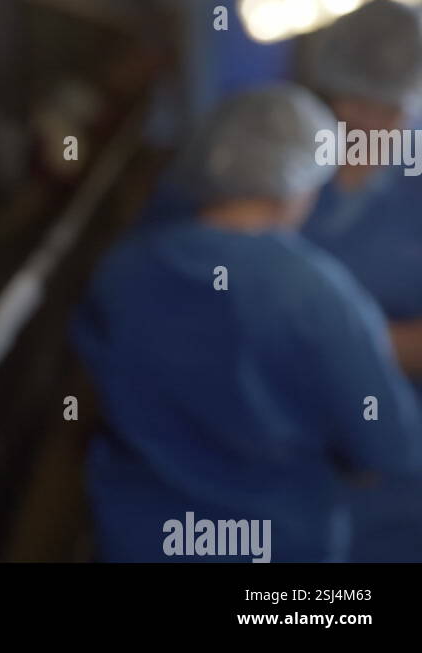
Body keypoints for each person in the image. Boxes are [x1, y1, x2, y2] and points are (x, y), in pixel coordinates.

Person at [70, 84, 422, 562]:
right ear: (301, 184)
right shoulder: (317, 293)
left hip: (140, 538)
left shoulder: (123, 270)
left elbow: (102, 387)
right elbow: (388, 445)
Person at [297, 0, 422, 562]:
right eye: (344, 100)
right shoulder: (294, 159)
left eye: (380, 105)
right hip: (294, 447)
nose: (358, 118)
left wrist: (355, 342)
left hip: (397, 475)